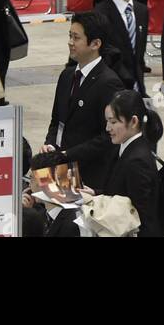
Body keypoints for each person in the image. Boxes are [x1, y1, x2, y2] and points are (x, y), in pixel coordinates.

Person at [39, 11, 124, 192]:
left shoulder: (108, 83)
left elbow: (108, 136)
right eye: (70, 36)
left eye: (76, 38)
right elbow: (57, 121)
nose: (70, 42)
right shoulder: (67, 75)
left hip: (89, 173)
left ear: (95, 43)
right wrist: (50, 144)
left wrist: (67, 154)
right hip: (60, 165)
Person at [101, 90, 162, 237]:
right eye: (107, 121)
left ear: (133, 122)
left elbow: (142, 217)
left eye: (114, 122)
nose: (108, 128)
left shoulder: (137, 161)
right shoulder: (123, 147)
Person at [94, 0, 149, 94]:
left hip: (137, 92)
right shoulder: (99, 14)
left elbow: (138, 58)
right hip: (111, 92)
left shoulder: (141, 11)